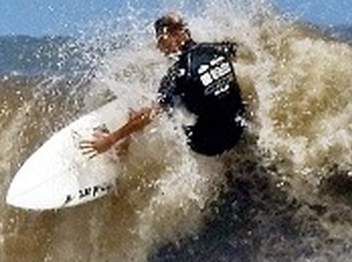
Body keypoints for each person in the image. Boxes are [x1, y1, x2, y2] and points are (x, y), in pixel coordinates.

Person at [80, 13, 247, 158]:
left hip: (209, 144)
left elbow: (149, 114)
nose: (160, 48)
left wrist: (110, 140)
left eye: (161, 40)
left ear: (175, 35)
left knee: (146, 105)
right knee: (195, 93)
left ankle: (122, 144)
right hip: (239, 128)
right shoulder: (216, 49)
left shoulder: (178, 73)